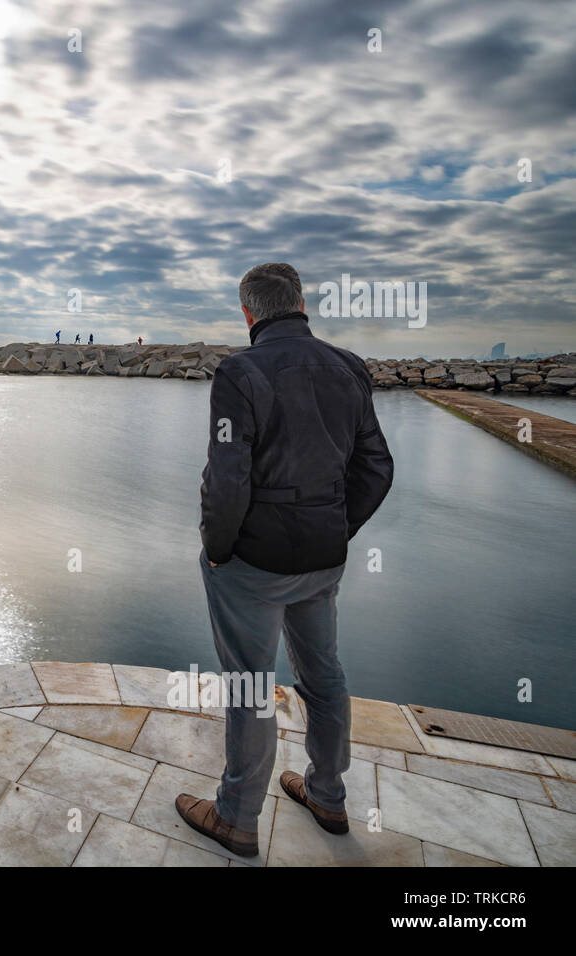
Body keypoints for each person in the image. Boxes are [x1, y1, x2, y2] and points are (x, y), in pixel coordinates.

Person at [175, 262, 394, 858]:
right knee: (323, 674)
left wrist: (218, 551)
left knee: (249, 684)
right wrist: (336, 524)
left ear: (248, 313)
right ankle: (328, 795)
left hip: (253, 563)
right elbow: (377, 467)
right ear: (301, 303)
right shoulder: (348, 367)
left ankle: (237, 817)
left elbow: (227, 479)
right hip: (324, 557)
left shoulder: (239, 372)